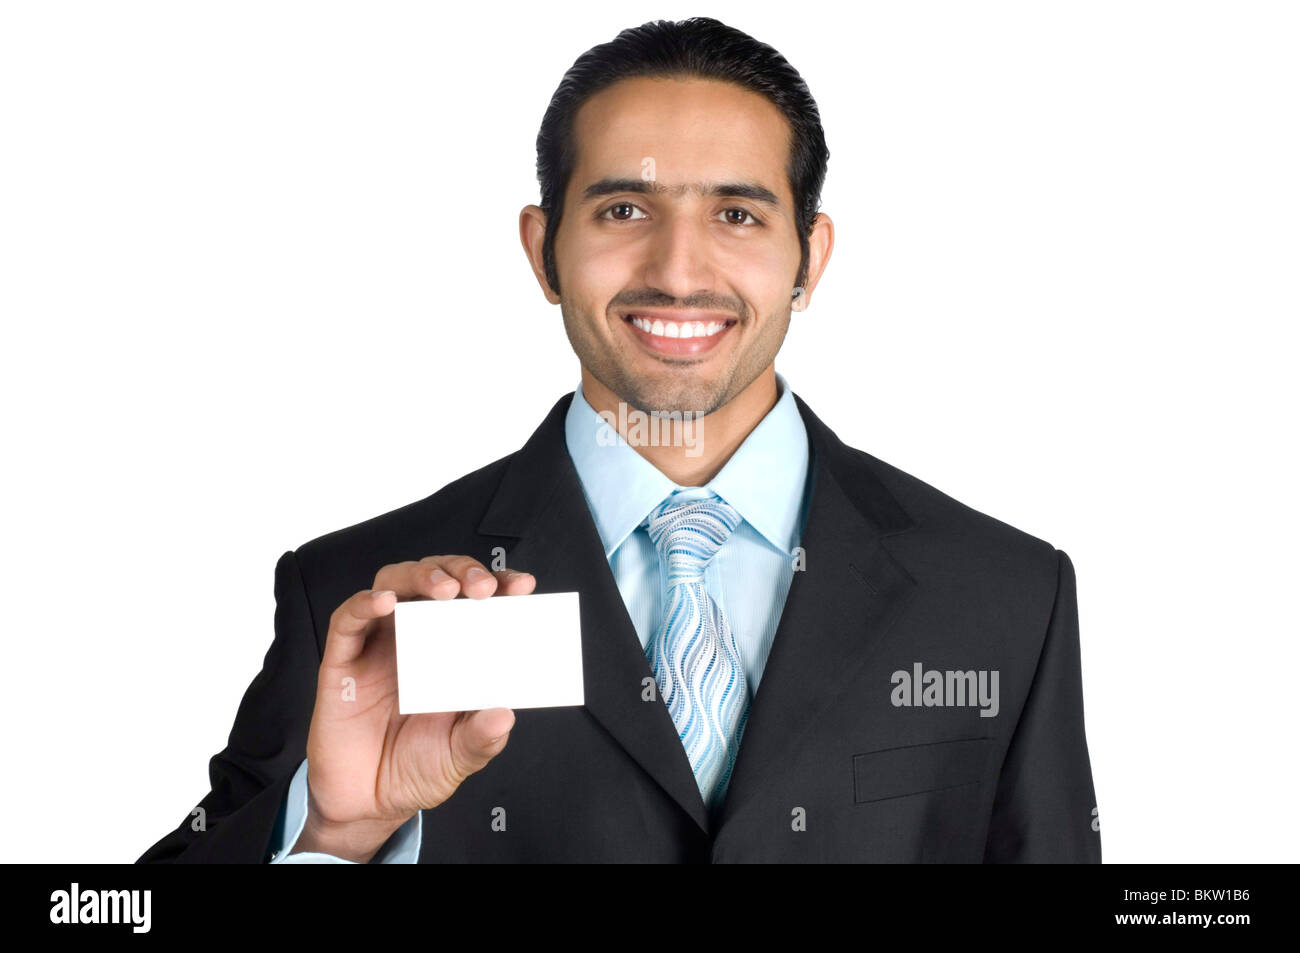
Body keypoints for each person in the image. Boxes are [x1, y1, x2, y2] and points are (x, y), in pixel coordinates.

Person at [139, 17, 1100, 864]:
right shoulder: (360, 599)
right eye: (623, 210)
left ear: (810, 257)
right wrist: (332, 837)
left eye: (736, 213)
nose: (679, 273)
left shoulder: (1004, 596)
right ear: (542, 249)